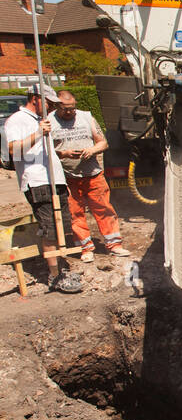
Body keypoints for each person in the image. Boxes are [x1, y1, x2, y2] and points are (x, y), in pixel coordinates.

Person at [0, 85, 83, 292]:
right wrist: (38, 133)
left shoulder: (38, 121)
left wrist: (62, 154)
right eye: (48, 102)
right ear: (36, 98)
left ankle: (61, 268)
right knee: (50, 229)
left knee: (62, 226)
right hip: (38, 182)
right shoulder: (17, 120)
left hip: (55, 180)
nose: (50, 107)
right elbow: (13, 150)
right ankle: (54, 275)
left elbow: (40, 151)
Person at [49, 90, 130, 263]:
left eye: (73, 108)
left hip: (92, 174)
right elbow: (46, 152)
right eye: (66, 109)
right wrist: (64, 153)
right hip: (67, 176)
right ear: (57, 106)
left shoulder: (86, 117)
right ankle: (85, 247)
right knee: (74, 213)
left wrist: (92, 150)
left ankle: (114, 244)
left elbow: (103, 142)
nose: (70, 112)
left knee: (103, 208)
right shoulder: (50, 122)